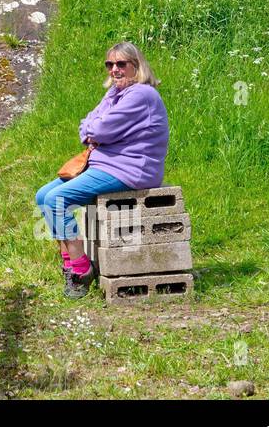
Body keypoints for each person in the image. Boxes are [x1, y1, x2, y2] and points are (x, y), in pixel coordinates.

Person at [33, 41, 169, 298]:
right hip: (106, 165)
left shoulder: (141, 94)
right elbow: (87, 125)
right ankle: (68, 262)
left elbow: (100, 129)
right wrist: (92, 131)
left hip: (131, 170)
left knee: (57, 199)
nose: (114, 70)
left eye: (121, 64)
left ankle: (81, 270)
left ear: (136, 66)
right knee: (43, 196)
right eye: (110, 64)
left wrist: (95, 131)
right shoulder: (115, 94)